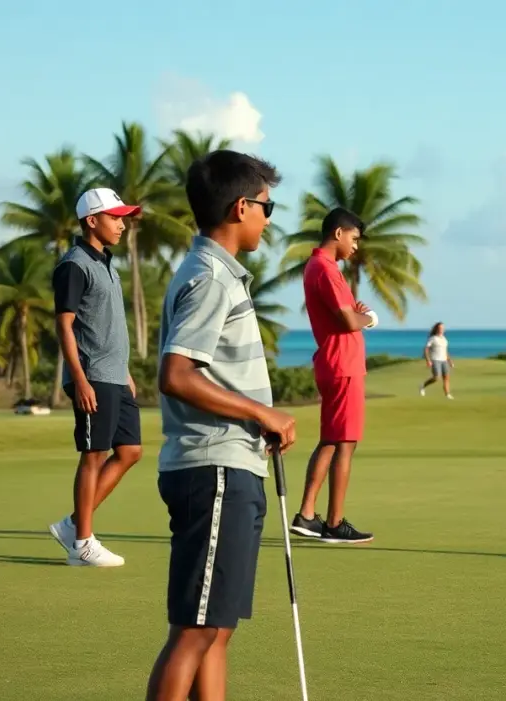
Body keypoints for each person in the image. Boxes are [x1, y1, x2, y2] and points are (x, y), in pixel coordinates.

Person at [146, 150, 297, 701]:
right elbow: (176, 373)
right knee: (196, 630)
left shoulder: (220, 275)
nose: (268, 218)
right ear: (240, 207)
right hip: (213, 465)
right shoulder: (210, 277)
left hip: (232, 464)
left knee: (217, 628)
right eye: (267, 206)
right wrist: (262, 413)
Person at [48, 188, 144, 567]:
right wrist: (80, 378)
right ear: (92, 220)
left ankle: (73, 525)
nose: (122, 225)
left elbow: (107, 325)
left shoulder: (106, 262)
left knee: (130, 451)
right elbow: (65, 325)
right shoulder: (74, 264)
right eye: (115, 217)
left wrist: (125, 372)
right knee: (93, 455)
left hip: (115, 376)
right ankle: (83, 543)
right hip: (92, 376)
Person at [289, 207, 376, 545]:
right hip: (343, 365)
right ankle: (334, 523)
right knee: (345, 443)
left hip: (334, 362)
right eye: (354, 239)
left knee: (330, 439)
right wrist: (369, 319)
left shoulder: (322, 267)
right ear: (338, 233)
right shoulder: (325, 268)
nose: (356, 246)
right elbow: (346, 319)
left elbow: (345, 314)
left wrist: (357, 316)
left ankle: (307, 516)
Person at [420, 322, 454, 399]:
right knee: (436, 378)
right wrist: (428, 360)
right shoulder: (433, 338)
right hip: (435, 360)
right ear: (436, 329)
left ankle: (447, 394)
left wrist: (450, 361)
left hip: (444, 360)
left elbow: (445, 351)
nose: (441, 329)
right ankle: (423, 385)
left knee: (446, 378)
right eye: (440, 328)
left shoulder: (444, 339)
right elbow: (426, 349)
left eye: (442, 328)